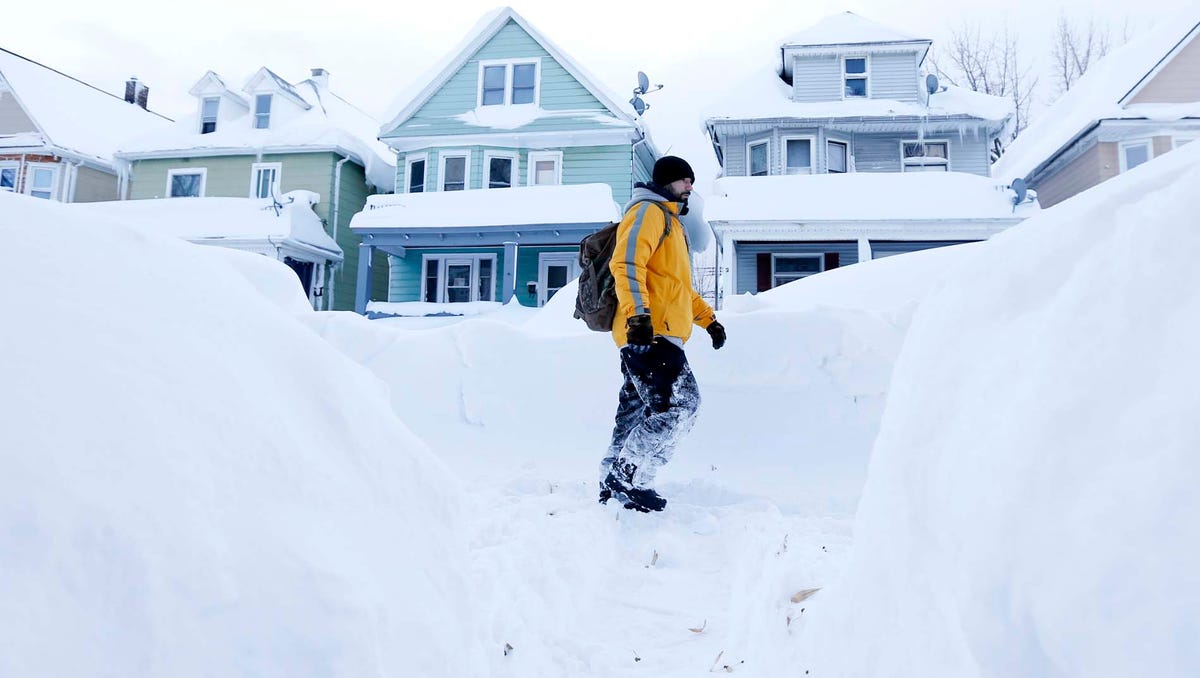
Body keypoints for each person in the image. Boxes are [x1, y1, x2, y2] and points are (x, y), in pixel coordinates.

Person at [598, 155, 726, 512]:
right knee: (682, 405)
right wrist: (638, 316)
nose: (690, 187)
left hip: (653, 332)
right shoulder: (647, 213)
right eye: (685, 180)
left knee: (635, 412)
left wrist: (708, 320)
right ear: (668, 181)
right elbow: (625, 263)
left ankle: (611, 479)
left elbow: (677, 287)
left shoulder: (670, 222)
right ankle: (630, 475)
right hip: (649, 332)